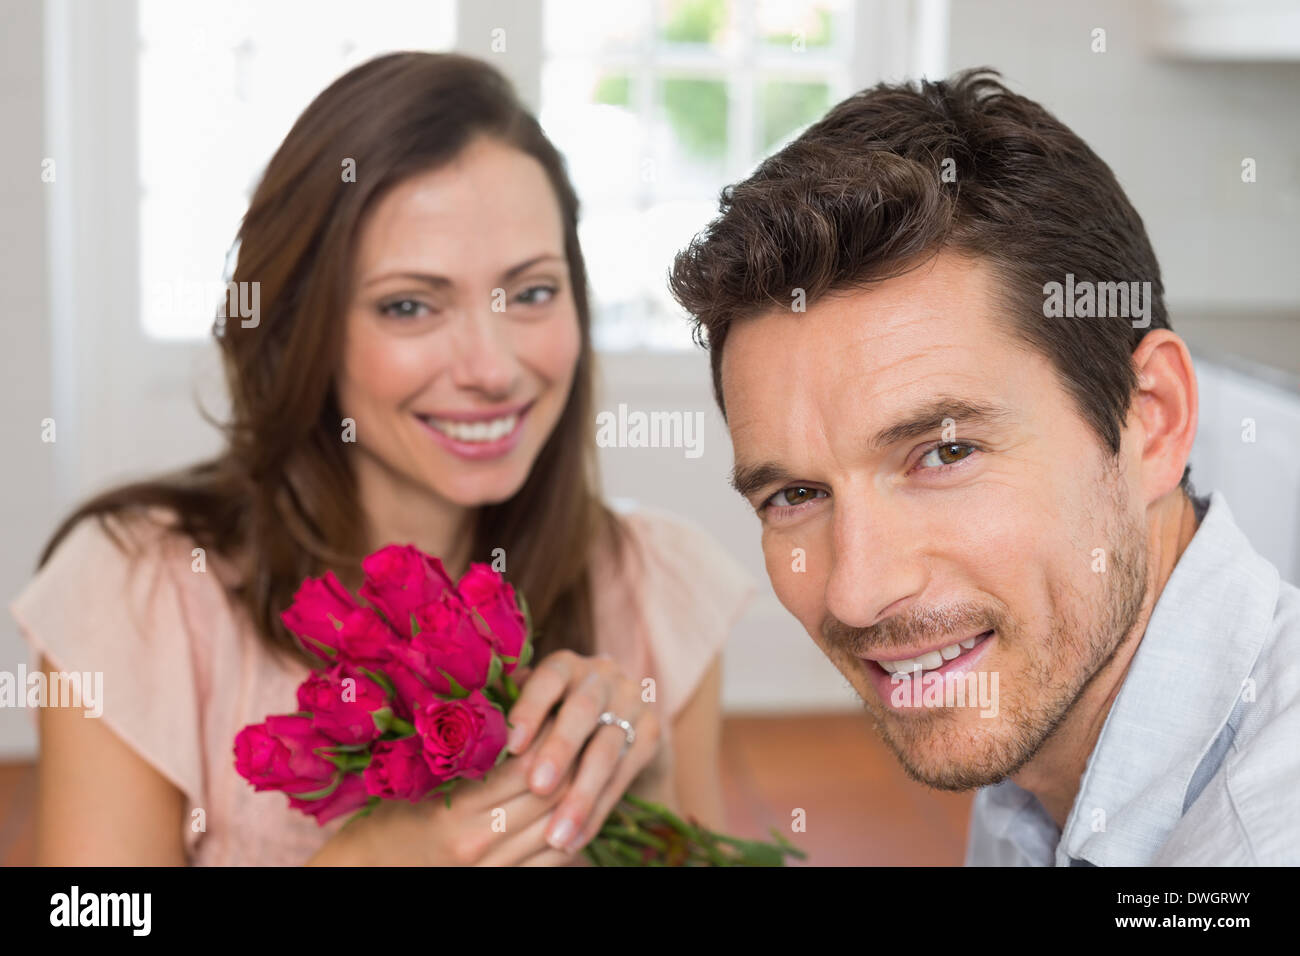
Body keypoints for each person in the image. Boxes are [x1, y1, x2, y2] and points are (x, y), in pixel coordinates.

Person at [11, 52, 753, 866]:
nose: (493, 368)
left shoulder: (658, 592)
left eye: (533, 291)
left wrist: (654, 823)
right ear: (305, 330)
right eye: (410, 305)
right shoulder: (137, 590)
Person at [668, 68, 1300, 865]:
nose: (857, 592)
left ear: (1154, 420)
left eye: (945, 453)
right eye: (796, 494)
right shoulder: (1043, 742)